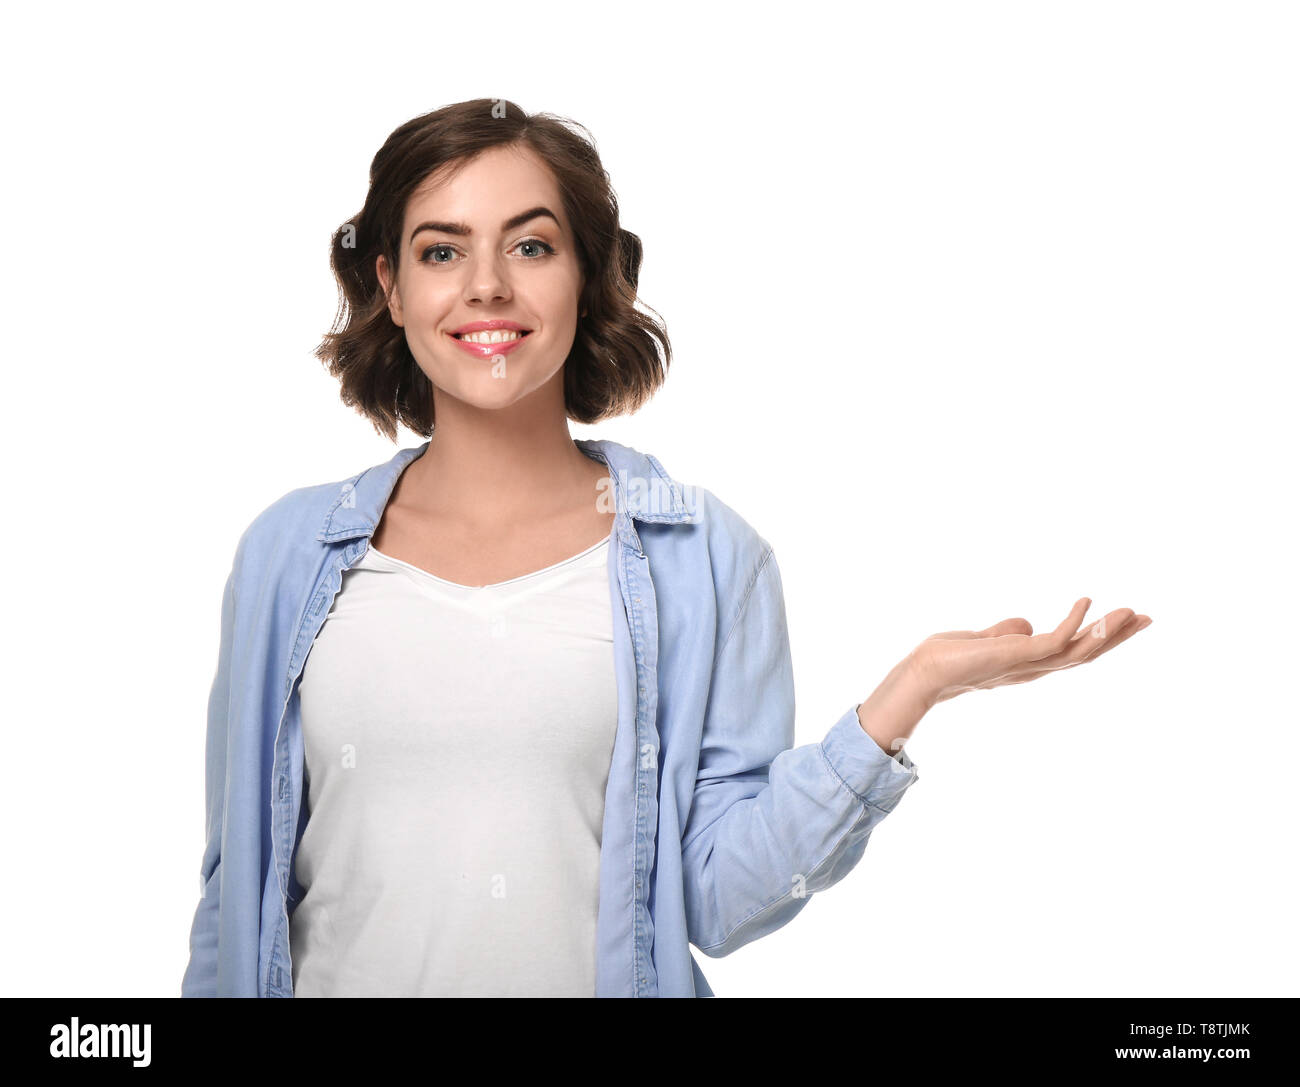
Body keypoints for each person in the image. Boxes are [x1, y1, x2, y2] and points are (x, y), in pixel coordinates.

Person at [181, 98, 1151, 998]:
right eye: (441, 252)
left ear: (590, 274)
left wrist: (911, 691)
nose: (486, 286)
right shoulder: (291, 554)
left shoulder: (704, 555)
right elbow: (236, 893)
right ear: (389, 285)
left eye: (530, 244)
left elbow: (721, 901)